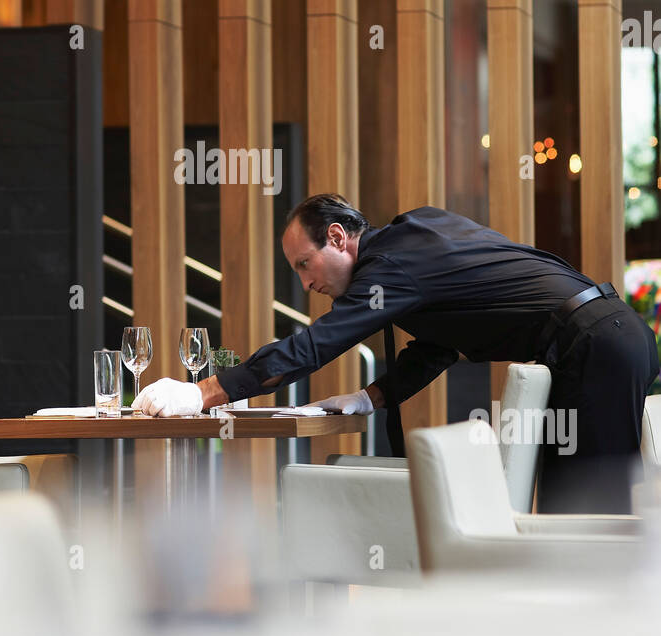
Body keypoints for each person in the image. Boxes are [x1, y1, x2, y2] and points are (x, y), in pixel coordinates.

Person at [132, 194, 659, 512]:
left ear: (337, 238)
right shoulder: (415, 237)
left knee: (588, 509)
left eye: (303, 264)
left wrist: (203, 392)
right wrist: (371, 395)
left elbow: (317, 344)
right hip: (610, 336)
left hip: (595, 345)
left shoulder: (390, 268)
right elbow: (440, 345)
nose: (305, 281)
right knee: (581, 505)